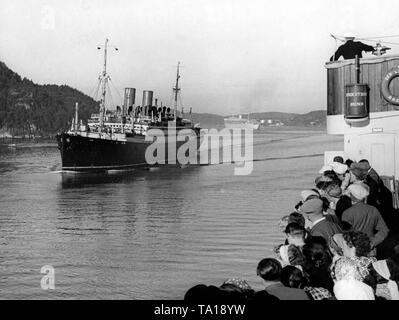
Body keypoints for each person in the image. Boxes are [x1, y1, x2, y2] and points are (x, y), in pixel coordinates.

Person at [342, 184, 389, 252]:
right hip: (370, 248)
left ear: (352, 196)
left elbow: (346, 235)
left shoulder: (347, 213)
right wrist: (373, 242)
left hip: (354, 249)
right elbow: (384, 230)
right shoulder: (373, 209)